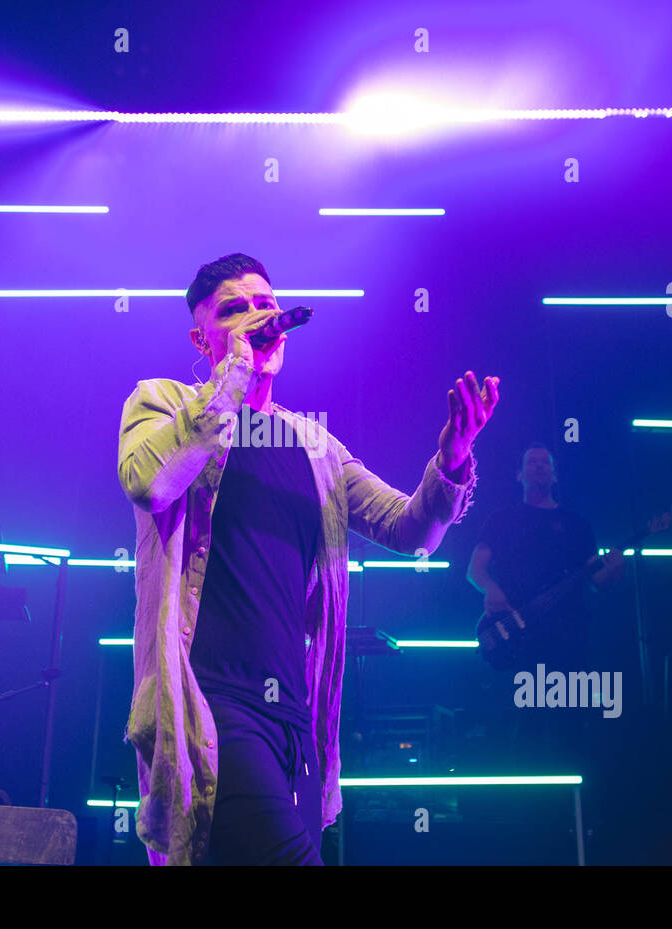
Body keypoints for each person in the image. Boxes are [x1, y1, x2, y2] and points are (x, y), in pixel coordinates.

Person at [118, 252, 500, 865]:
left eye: (264, 305)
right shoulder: (162, 404)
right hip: (211, 705)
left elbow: (410, 531)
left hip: (295, 716)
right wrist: (232, 378)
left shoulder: (316, 448)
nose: (256, 318)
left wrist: (453, 461)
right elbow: (150, 484)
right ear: (201, 336)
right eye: (233, 310)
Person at [465, 443, 624, 765]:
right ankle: (524, 800)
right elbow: (475, 569)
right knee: (524, 725)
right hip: (519, 638)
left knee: (570, 724)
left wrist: (615, 572)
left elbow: (597, 581)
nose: (538, 466)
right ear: (519, 474)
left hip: (568, 638)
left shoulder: (576, 524)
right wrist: (492, 588)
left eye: (545, 463)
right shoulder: (502, 519)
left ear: (554, 474)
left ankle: (573, 798)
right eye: (531, 462)